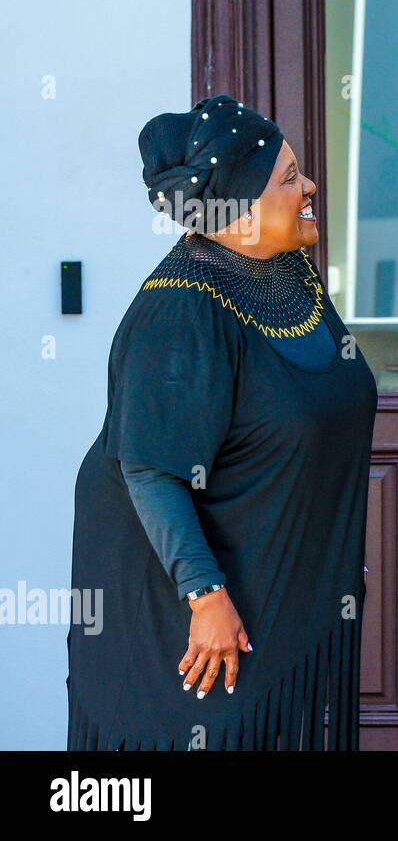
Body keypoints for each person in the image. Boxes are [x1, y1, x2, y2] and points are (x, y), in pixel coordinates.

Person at [67, 95, 378, 750]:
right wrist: (205, 598)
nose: (309, 187)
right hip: (196, 616)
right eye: (289, 178)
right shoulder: (179, 314)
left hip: (280, 590)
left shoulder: (287, 276)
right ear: (235, 214)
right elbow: (149, 468)